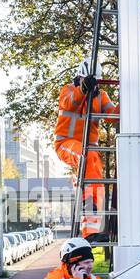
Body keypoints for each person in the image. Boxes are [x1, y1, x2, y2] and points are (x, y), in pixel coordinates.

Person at [53, 64, 118, 239]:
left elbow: (113, 116)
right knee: (85, 157)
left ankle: (92, 230)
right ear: (79, 78)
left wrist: (127, 101)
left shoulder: (101, 96)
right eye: (88, 81)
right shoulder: (67, 90)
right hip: (65, 143)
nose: (93, 86)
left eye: (95, 83)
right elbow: (70, 103)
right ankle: (90, 214)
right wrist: (83, 89)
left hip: (90, 150)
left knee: (95, 177)